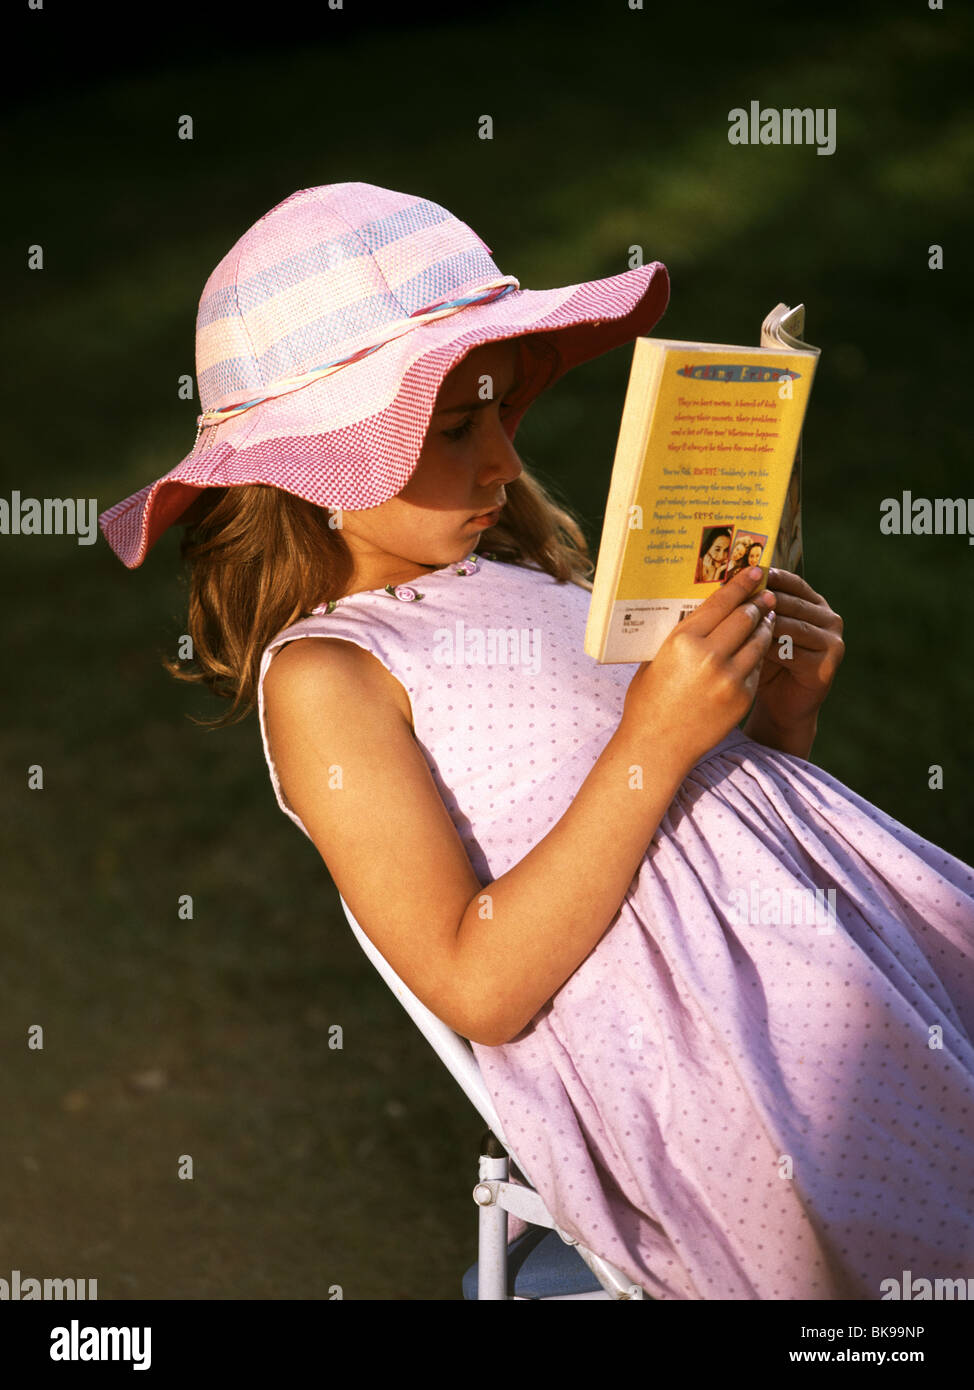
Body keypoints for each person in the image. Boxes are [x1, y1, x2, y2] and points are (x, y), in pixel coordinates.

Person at [99, 183, 974, 1301]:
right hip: (728, 1055)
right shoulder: (329, 676)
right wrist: (654, 736)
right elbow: (475, 982)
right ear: (318, 463)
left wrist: (773, 722)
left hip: (842, 950)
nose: (504, 461)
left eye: (502, 414)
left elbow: (708, 834)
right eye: (456, 427)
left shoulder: (528, 579)